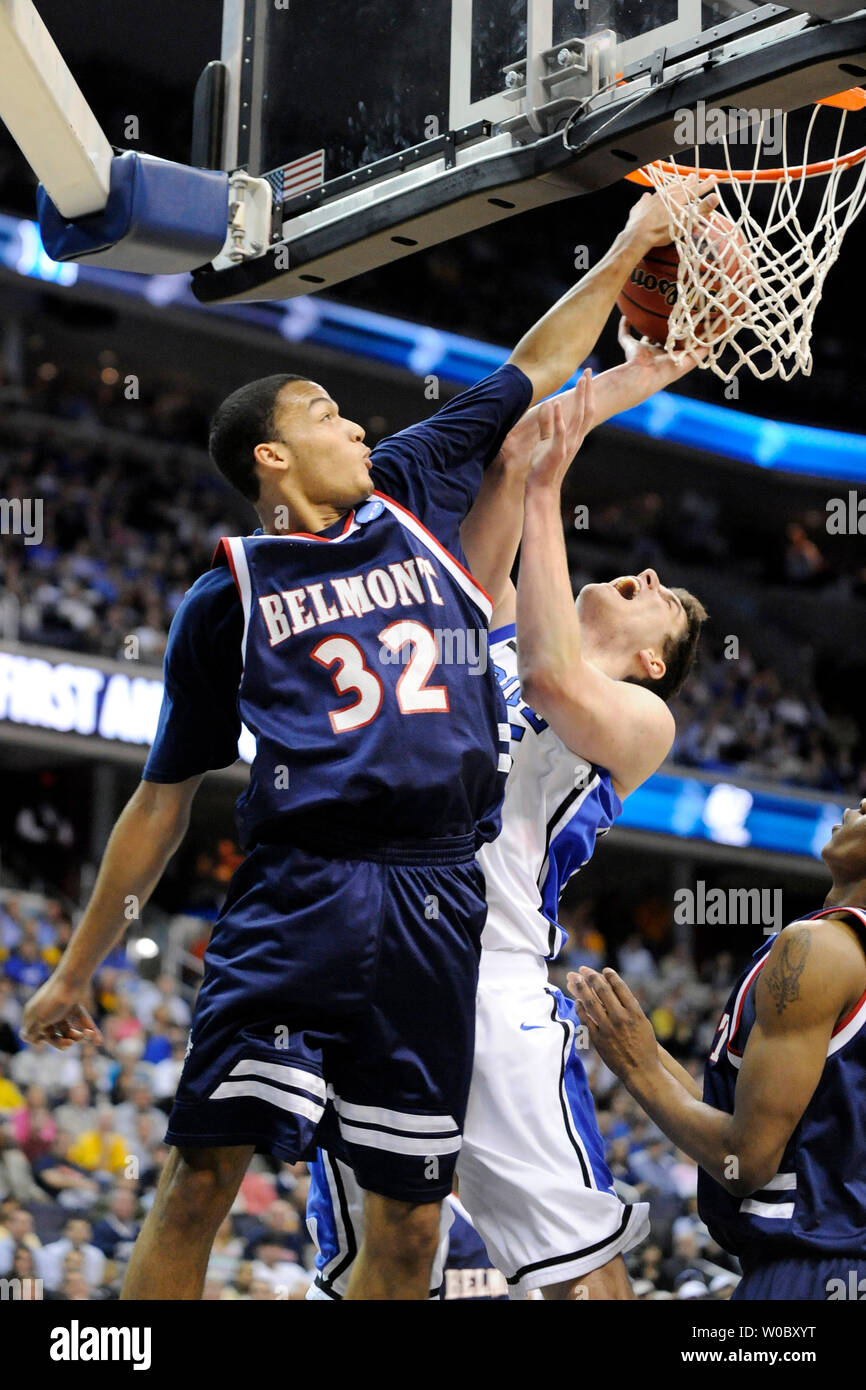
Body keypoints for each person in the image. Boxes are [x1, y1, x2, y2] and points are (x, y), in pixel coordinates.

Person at [21, 179, 718, 1301]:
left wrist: (635, 245)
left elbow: (529, 379)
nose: (354, 420)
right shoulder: (226, 596)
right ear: (270, 459)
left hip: (442, 910)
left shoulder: (409, 494)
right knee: (199, 1177)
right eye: (321, 413)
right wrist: (76, 966)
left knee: (407, 1231)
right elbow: (159, 800)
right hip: (303, 883)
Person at [307, 333, 709, 1300]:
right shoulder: (475, 629)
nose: (649, 578)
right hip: (366, 952)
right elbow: (518, 447)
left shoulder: (639, 722)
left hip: (486, 975)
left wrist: (545, 500)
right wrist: (640, 376)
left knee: (579, 1267)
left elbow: (549, 673)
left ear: (657, 663)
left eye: (672, 605)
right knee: (386, 1257)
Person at [568, 802, 866, 1300]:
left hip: (810, 1268)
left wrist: (639, 1069)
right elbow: (730, 1124)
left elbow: (744, 1160)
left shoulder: (818, 948)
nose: (856, 806)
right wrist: (645, 1052)